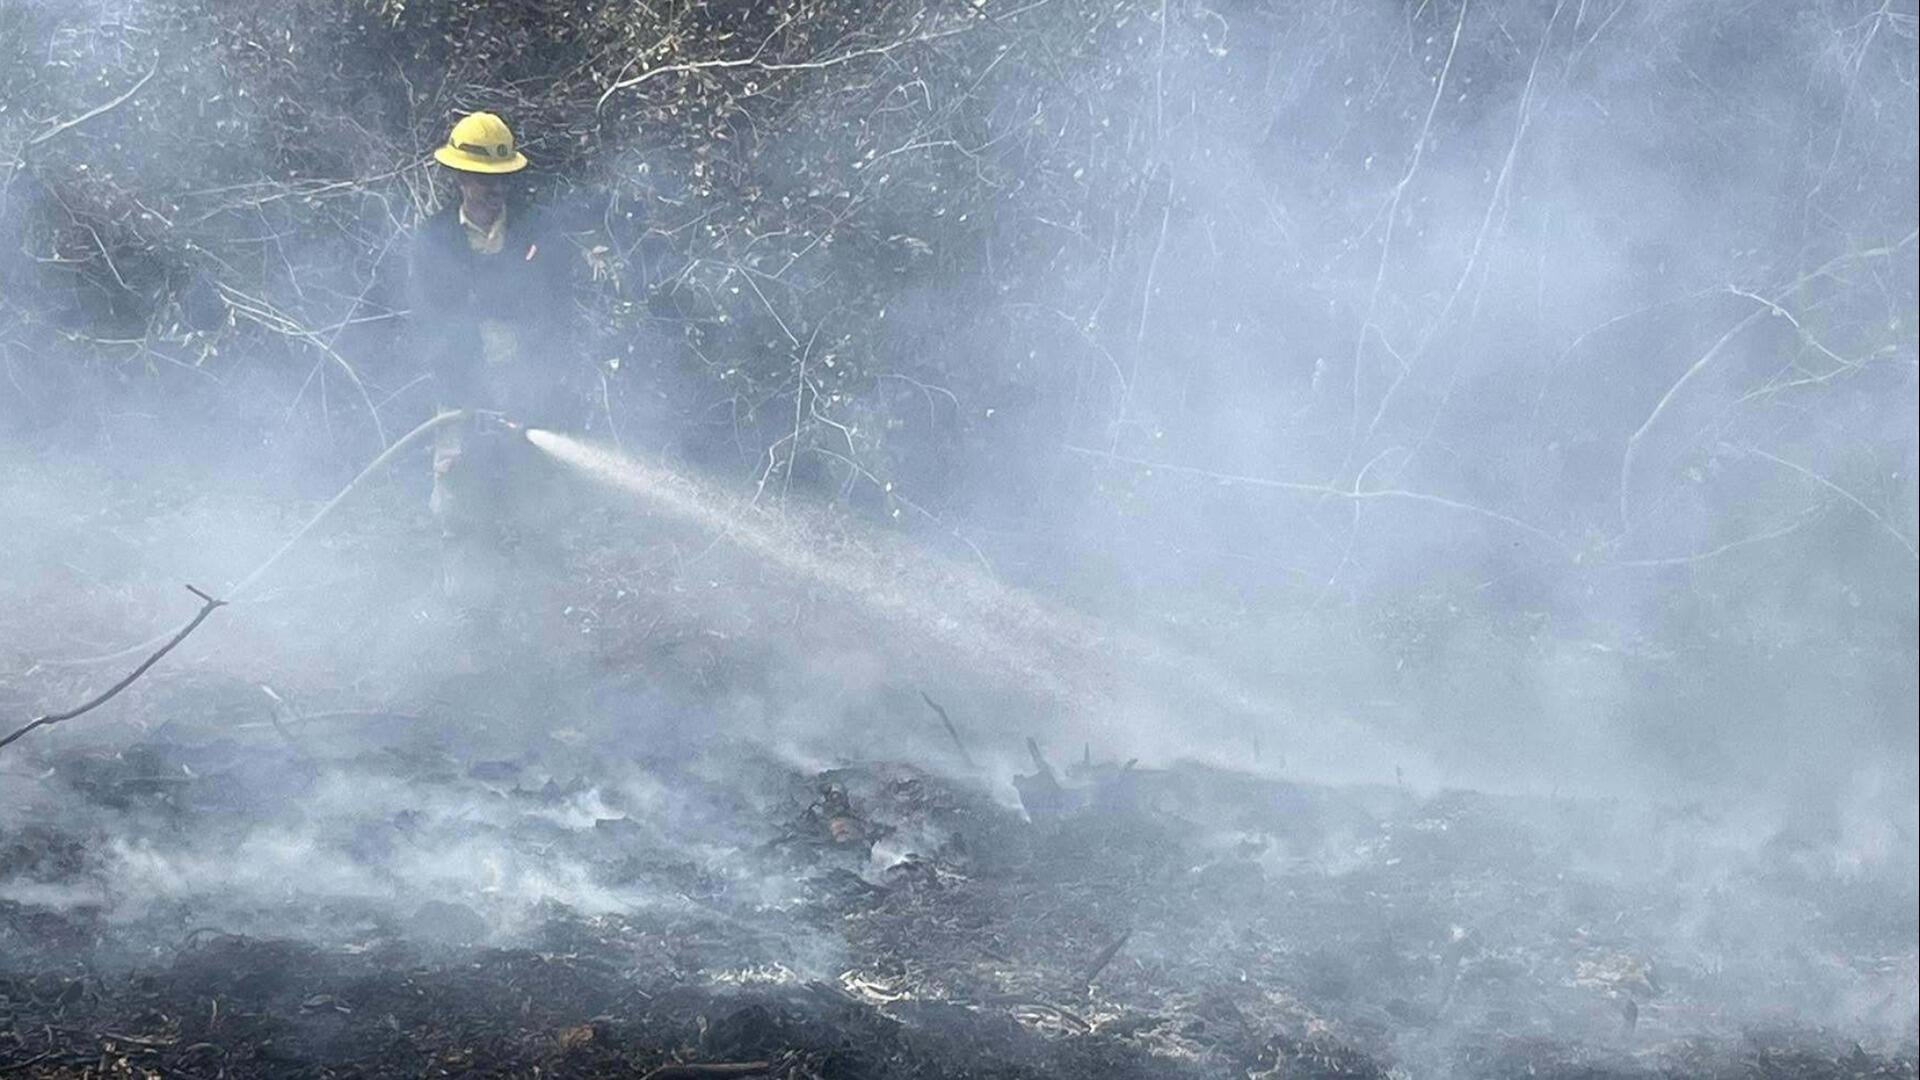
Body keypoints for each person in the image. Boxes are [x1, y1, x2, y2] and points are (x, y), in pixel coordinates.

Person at [409, 111, 576, 632]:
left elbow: (558, 315)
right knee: (460, 509)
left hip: (528, 391)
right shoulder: (434, 240)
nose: (492, 191)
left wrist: (534, 394)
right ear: (460, 178)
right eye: (482, 180)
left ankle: (540, 623)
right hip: (460, 393)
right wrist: (469, 400)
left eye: (501, 181)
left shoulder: (537, 234)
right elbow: (432, 327)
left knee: (540, 506)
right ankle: (470, 623)